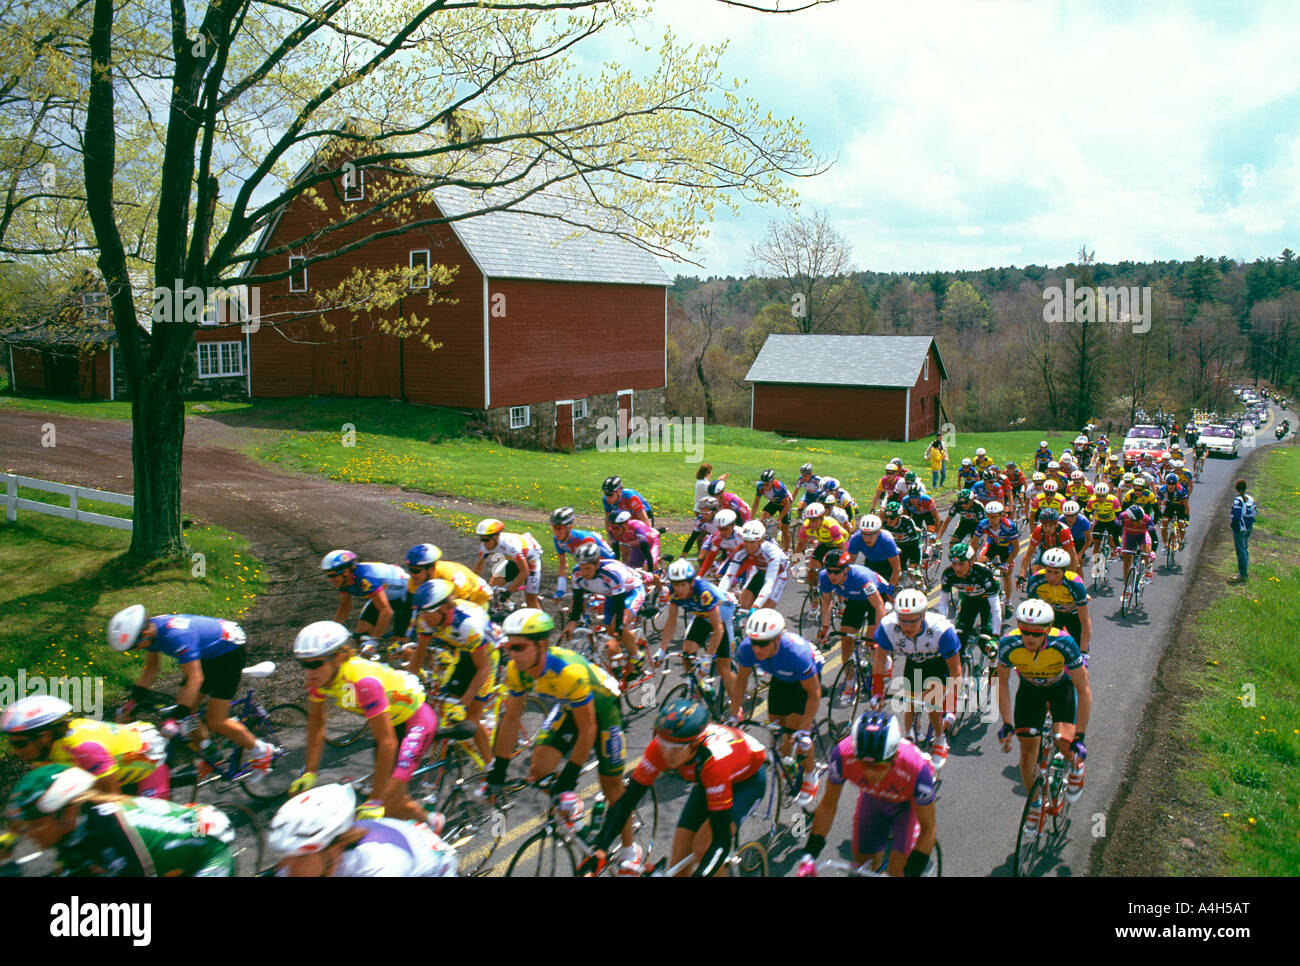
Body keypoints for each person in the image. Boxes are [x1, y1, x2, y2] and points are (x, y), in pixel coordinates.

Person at [482, 608, 640, 868]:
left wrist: (569, 777)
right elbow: (510, 719)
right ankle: (574, 810)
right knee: (539, 769)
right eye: (508, 647)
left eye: (518, 647)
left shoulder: (568, 671)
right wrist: (498, 769)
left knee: (611, 784)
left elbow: (588, 729)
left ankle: (630, 852)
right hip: (568, 707)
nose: (511, 653)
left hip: (604, 708)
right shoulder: (516, 669)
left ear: (541, 645)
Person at [581, 700, 766, 877]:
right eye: (663, 744)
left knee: (703, 847)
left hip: (746, 781)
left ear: (693, 745)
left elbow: (721, 839)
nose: (666, 753)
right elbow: (627, 801)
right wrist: (600, 850)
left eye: (675, 748)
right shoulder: (661, 746)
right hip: (708, 781)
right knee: (678, 862)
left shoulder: (713, 763)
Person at [290, 620, 436, 824]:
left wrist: (376, 800)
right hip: (392, 722)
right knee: (391, 802)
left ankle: (433, 828)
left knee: (387, 800)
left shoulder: (363, 681)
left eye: (315, 664)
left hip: (416, 720)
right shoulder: (320, 680)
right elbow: (316, 723)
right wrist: (310, 772)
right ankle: (423, 819)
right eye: (304, 665)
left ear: (339, 657)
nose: (309, 672)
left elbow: (388, 743)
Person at [106, 605, 275, 776]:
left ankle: (262, 750)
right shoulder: (151, 631)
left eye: (133, 646)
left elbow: (195, 678)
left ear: (145, 634)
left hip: (229, 653)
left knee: (215, 720)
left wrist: (176, 717)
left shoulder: (176, 636)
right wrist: (134, 701)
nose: (135, 650)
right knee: (187, 712)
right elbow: (151, 667)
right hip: (207, 653)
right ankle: (209, 752)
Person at [5, 764, 235, 876]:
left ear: (67, 812)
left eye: (35, 825)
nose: (29, 834)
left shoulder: (112, 832)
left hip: (208, 855)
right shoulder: (76, 828)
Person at [796, 710, 937, 877]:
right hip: (874, 800)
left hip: (907, 806)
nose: (870, 773)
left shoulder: (916, 770)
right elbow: (828, 804)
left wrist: (913, 870)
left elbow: (928, 828)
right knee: (862, 861)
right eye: (863, 764)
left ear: (895, 756)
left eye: (878, 765)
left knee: (898, 870)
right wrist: (809, 855)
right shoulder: (842, 755)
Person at [995, 601, 1091, 830]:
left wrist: (1080, 735)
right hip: (1030, 691)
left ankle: (1077, 767)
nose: (1029, 638)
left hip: (1061, 689)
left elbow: (1083, 689)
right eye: (1025, 631)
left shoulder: (1064, 643)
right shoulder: (1009, 643)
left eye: (1036, 634)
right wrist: (1007, 722)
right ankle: (1035, 805)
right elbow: (1002, 682)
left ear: (1048, 629)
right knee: (1028, 754)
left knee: (1063, 739)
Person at [729, 610, 824, 806]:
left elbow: (814, 694)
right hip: (781, 677)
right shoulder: (747, 648)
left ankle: (810, 773)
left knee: (795, 731)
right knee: (775, 726)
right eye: (754, 642)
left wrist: (804, 731)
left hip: (803, 682)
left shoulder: (796, 654)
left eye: (763, 643)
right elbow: (741, 681)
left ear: (778, 639)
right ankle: (787, 760)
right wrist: (733, 716)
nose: (757, 648)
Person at [270, 783, 457, 877]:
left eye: (300, 856)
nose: (286, 866)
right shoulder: (323, 854)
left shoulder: (382, 866)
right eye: (285, 854)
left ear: (335, 849)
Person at [1, 696, 170, 799]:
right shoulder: (44, 750)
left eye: (20, 744)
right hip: (116, 762)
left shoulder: (83, 748)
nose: (16, 751)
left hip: (150, 759)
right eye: (12, 744)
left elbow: (114, 799)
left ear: (45, 736)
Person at [320, 550, 412, 641]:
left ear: (346, 572)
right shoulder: (344, 581)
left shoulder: (366, 578)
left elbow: (386, 611)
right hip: (386, 596)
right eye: (327, 576)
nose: (329, 580)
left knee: (400, 644)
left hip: (406, 597)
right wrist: (331, 632)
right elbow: (345, 606)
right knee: (360, 639)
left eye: (332, 575)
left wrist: (374, 640)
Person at [473, 519, 543, 610]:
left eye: (486, 539)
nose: (484, 543)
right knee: (491, 590)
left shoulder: (511, 545)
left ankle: (546, 623)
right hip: (513, 561)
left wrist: (509, 592)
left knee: (531, 602)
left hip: (531, 561)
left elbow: (525, 572)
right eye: (481, 539)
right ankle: (509, 607)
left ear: (496, 536)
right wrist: (472, 587)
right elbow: (477, 570)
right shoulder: (485, 546)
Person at [685, 464, 726, 556]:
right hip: (704, 509)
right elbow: (713, 491)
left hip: (698, 508)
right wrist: (720, 481)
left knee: (701, 532)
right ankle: (702, 550)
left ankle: (702, 549)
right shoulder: (704, 484)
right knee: (703, 532)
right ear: (708, 472)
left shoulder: (699, 482)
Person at [1229, 478, 1258, 582]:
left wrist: (1233, 524)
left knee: (1240, 551)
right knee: (1245, 549)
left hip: (1240, 528)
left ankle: (1243, 574)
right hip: (1249, 527)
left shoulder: (1238, 500)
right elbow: (1255, 512)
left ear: (1237, 489)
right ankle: (1244, 571)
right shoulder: (1250, 498)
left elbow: (1236, 515)